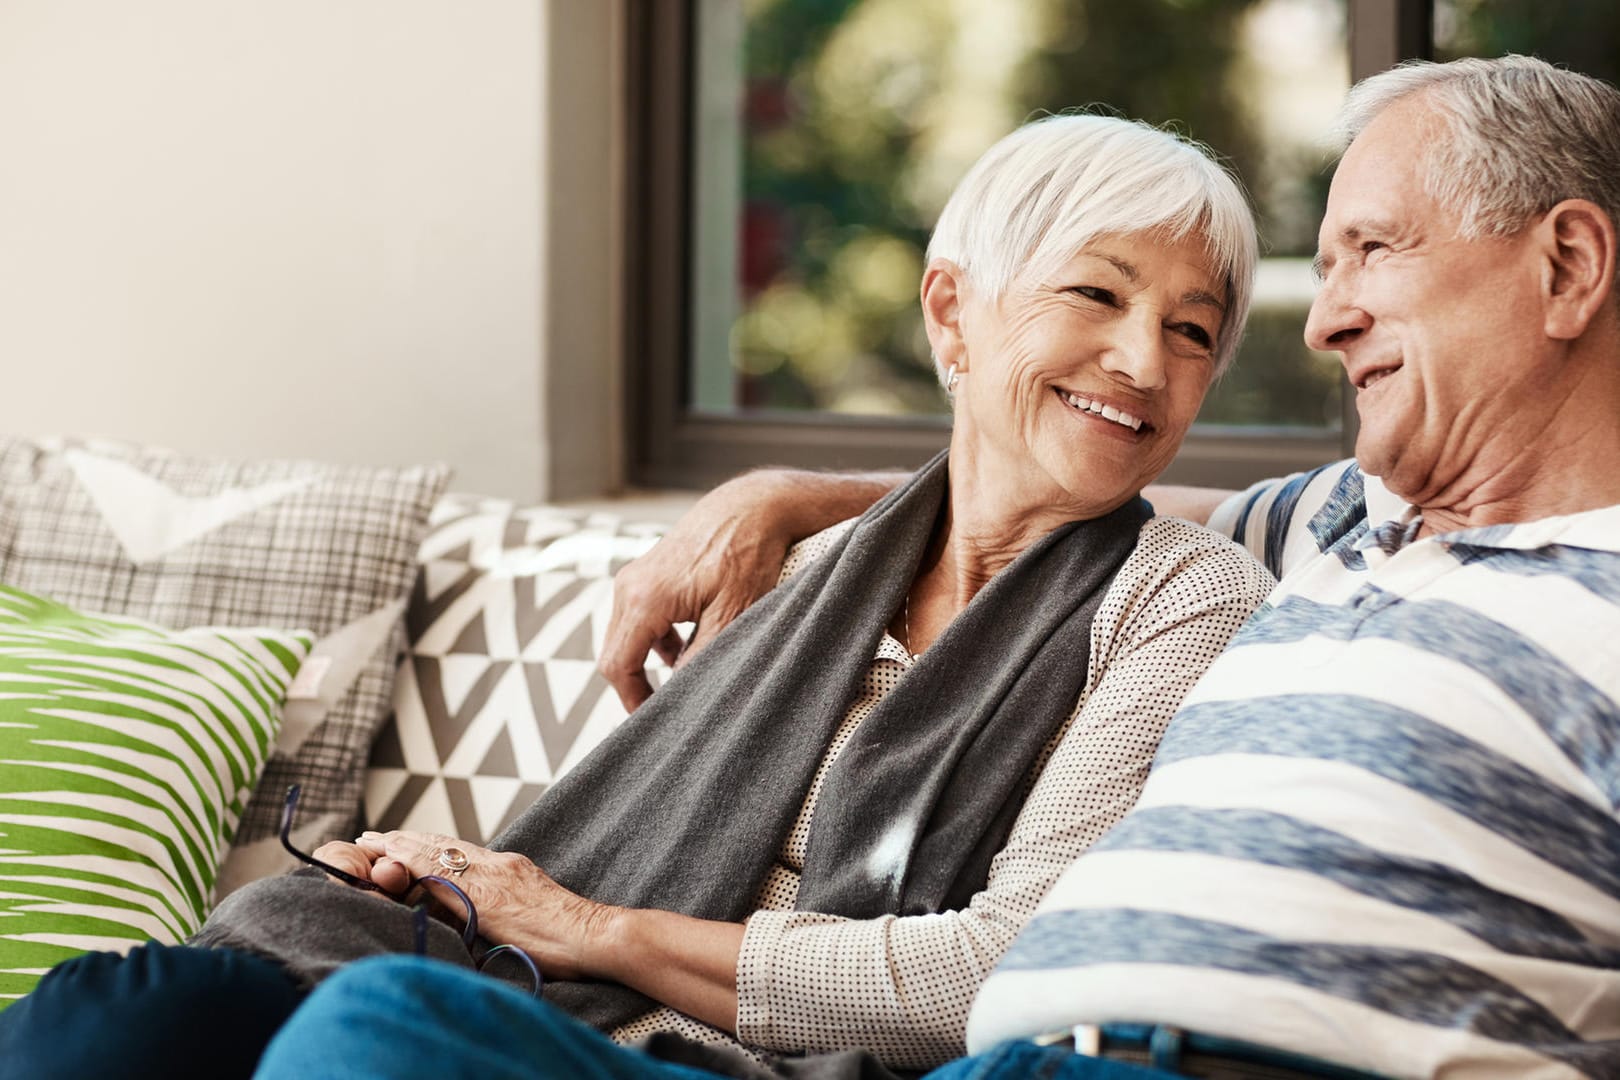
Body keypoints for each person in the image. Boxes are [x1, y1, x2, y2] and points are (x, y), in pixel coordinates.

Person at [324, 53, 1616, 1078]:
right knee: (361, 1023)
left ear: (1566, 268)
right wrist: (792, 496)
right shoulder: (1335, 523)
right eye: (1323, 269)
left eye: (1375, 253)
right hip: (1009, 1066)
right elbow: (1080, 482)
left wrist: (590, 928)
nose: (1327, 320)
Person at [0, 114, 1274, 1080]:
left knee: (376, 1036)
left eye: (1194, 332)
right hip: (555, 997)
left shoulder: (1185, 601)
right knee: (109, 1018)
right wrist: (444, 881)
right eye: (1097, 294)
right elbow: (630, 831)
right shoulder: (817, 572)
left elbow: (995, 973)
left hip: (733, 1057)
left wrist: (582, 926)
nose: (1141, 361)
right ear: (953, 313)